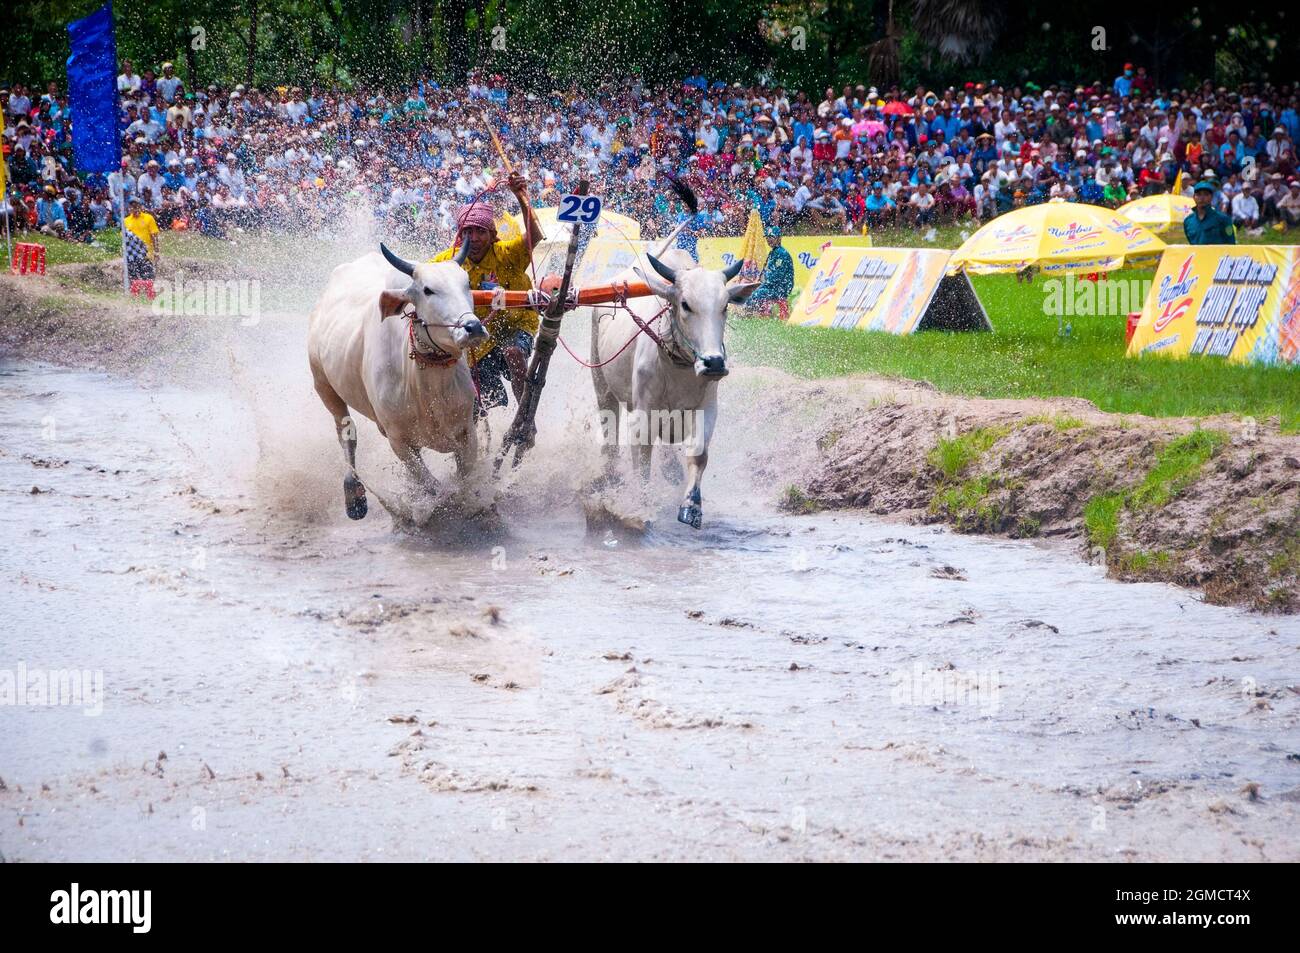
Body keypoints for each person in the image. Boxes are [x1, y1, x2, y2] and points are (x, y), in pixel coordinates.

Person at [429, 171, 543, 415]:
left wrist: (521, 196)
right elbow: (423, 279)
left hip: (516, 325)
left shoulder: (506, 254)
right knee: (478, 404)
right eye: (468, 232)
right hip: (477, 337)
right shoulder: (447, 262)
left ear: (492, 235)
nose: (475, 238)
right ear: (460, 237)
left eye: (480, 232)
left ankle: (525, 419)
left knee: (513, 353)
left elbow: (536, 236)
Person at [746, 228, 794, 320]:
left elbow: (777, 277)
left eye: (772, 237)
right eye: (767, 237)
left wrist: (762, 284)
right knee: (749, 291)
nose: (769, 239)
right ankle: (752, 316)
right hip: (771, 286)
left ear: (779, 238)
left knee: (754, 295)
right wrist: (757, 281)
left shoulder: (781, 254)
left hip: (780, 288)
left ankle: (750, 317)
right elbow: (765, 271)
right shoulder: (773, 252)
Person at [123, 196, 161, 295]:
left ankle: (149, 296)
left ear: (140, 206)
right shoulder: (126, 221)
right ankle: (135, 297)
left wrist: (156, 251)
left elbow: (154, 235)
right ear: (129, 208)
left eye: (136, 206)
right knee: (133, 278)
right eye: (132, 206)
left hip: (146, 254)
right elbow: (124, 240)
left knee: (148, 277)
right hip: (132, 256)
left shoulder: (148, 218)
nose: (134, 208)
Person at [1183, 180, 1236, 244]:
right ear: (1194, 197)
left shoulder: (1223, 219)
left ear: (1211, 197)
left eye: (1206, 194)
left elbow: (1231, 244)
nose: (1202, 198)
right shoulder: (1188, 221)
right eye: (1198, 194)